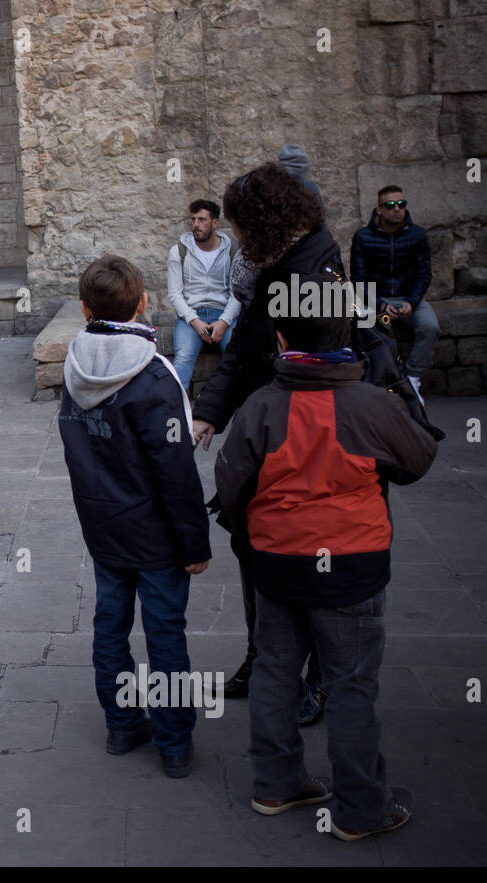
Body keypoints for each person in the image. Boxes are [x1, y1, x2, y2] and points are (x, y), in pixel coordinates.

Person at [214, 279, 437, 839]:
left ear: (282, 336)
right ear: (348, 336)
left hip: (277, 562)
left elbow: (230, 485)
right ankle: (362, 808)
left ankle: (275, 782)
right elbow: (418, 459)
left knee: (274, 672)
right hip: (352, 564)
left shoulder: (261, 406)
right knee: (351, 685)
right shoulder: (369, 403)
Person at [58, 255, 211, 778]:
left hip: (103, 525)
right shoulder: (154, 375)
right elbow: (176, 469)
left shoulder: (74, 367)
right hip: (156, 535)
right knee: (166, 635)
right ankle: (173, 744)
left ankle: (121, 724)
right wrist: (195, 543)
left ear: (84, 308)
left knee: (110, 626)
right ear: (143, 303)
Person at [192, 163, 333, 723]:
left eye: (243, 225)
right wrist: (208, 414)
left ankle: (317, 676)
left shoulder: (312, 270)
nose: (239, 238)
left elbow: (322, 364)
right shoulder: (264, 269)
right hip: (262, 431)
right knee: (252, 548)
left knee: (306, 558)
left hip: (302, 439)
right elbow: (243, 352)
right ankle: (262, 656)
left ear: (266, 222)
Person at [350, 184, 439, 401]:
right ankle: (376, 383)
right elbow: (358, 280)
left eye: (401, 204)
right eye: (390, 205)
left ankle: (413, 378)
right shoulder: (363, 237)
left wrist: (411, 301)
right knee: (361, 328)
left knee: (429, 326)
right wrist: (380, 305)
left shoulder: (417, 235)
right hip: (375, 298)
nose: (397, 209)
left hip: (408, 298)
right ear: (379, 209)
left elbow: (423, 275)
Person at [165, 199, 240, 390]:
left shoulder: (232, 251)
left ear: (215, 223)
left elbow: (237, 293)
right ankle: (175, 410)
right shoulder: (179, 251)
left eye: (202, 220)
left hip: (224, 314)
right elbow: (175, 294)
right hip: (191, 316)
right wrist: (195, 322)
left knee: (238, 358)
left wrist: (223, 322)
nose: (196, 225)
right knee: (183, 358)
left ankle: (243, 410)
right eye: (193, 220)